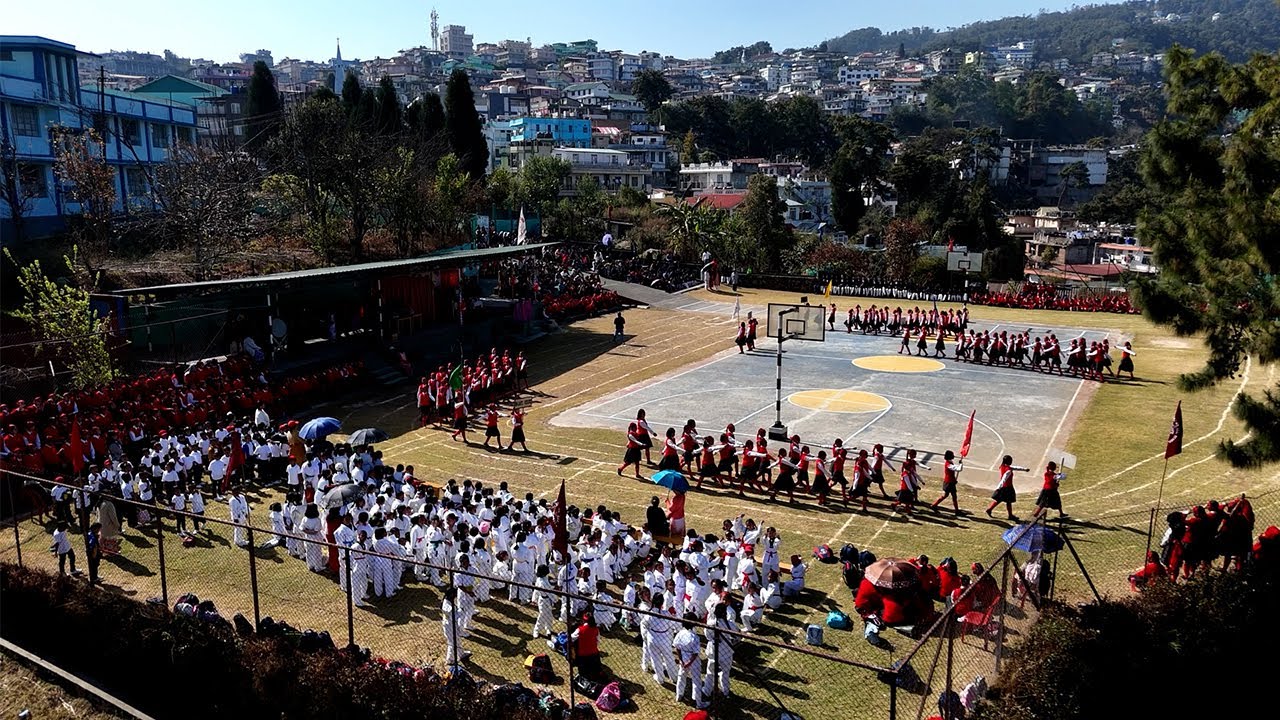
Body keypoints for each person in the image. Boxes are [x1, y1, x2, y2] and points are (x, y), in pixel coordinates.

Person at [702, 602, 737, 699]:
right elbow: (737, 636)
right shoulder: (730, 624)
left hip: (713, 652)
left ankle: (707, 690)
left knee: (710, 672)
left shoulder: (710, 624)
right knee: (725, 673)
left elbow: (708, 637)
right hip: (726, 652)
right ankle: (725, 691)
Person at [673, 612, 707, 708]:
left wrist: (681, 660)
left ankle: (679, 695)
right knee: (696, 681)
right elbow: (695, 653)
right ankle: (698, 703)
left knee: (681, 677)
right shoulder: (695, 637)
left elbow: (677, 647)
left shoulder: (680, 633)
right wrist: (689, 662)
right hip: (693, 661)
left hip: (683, 658)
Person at [986, 455, 1029, 520]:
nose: (1011, 461)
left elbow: (1015, 468)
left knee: (999, 500)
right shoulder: (1008, 470)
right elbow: (1004, 479)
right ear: (1008, 461)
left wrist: (1024, 469)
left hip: (1004, 487)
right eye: (1010, 460)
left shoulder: (1003, 466)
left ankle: (990, 509)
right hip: (1007, 487)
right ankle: (1010, 515)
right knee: (1008, 501)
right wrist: (998, 487)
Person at [572, 613, 603, 679]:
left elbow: (571, 638)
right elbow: (598, 640)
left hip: (583, 655)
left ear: (584, 620)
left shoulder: (580, 629)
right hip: (594, 654)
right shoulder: (596, 629)